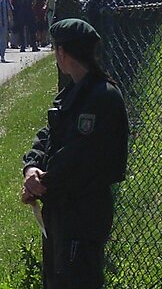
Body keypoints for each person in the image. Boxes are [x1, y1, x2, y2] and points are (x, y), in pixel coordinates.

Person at [21, 19, 129, 288]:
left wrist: (40, 185)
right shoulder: (72, 94)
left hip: (83, 209)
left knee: (78, 280)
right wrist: (31, 167)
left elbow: (79, 158)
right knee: (56, 280)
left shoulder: (101, 97)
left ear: (63, 52)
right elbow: (47, 136)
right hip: (61, 207)